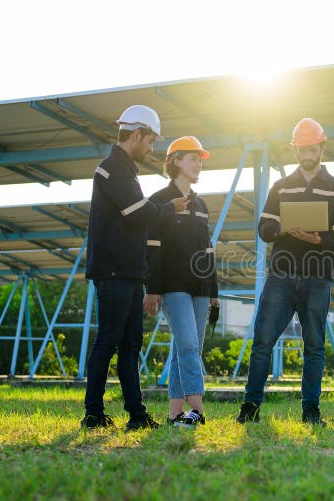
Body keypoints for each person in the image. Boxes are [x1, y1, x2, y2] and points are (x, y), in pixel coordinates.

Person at [82, 105, 190, 431]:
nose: (152, 148)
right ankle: (93, 413)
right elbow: (137, 211)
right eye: (150, 140)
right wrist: (169, 207)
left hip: (127, 272)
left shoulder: (124, 169)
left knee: (130, 345)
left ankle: (137, 415)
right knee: (109, 341)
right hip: (113, 271)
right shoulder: (112, 168)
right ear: (137, 134)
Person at [236, 118, 334, 426]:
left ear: (321, 148)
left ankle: (310, 410)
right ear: (295, 150)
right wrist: (284, 227)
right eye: (301, 148)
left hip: (317, 278)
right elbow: (264, 228)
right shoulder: (281, 187)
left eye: (312, 148)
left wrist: (318, 239)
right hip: (281, 277)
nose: (306, 153)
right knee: (262, 341)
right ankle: (251, 406)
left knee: (314, 346)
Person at [143, 136, 219, 429]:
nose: (198, 164)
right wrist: (152, 288)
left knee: (184, 349)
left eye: (200, 160)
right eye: (193, 159)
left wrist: (214, 292)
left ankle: (175, 413)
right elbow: (152, 247)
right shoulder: (159, 201)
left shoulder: (201, 205)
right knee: (187, 343)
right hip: (172, 286)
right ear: (175, 161)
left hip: (200, 287)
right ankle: (197, 411)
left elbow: (208, 251)